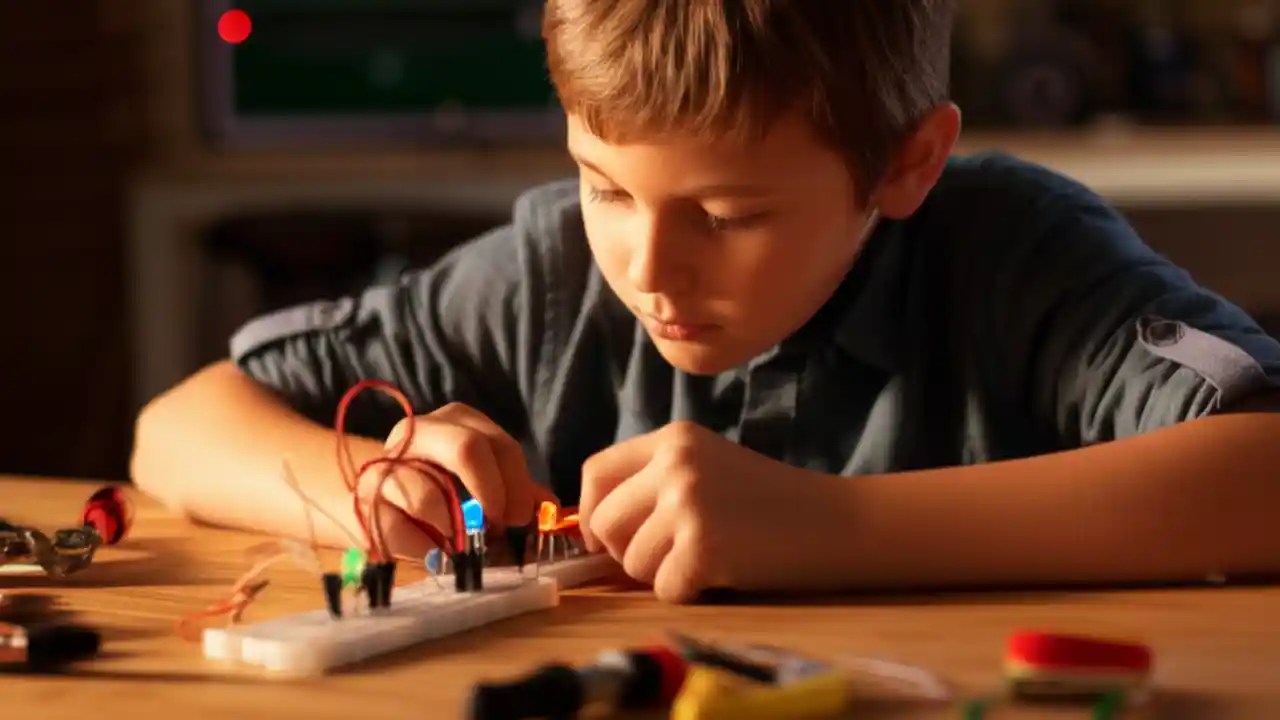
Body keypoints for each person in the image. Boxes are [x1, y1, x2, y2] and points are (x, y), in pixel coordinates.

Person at [131, 1, 1280, 602]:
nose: (648, 268)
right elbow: (177, 426)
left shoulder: (1014, 253)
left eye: (727, 217)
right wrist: (369, 500)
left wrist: (825, 529)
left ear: (905, 164)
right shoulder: (548, 276)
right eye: (605, 186)